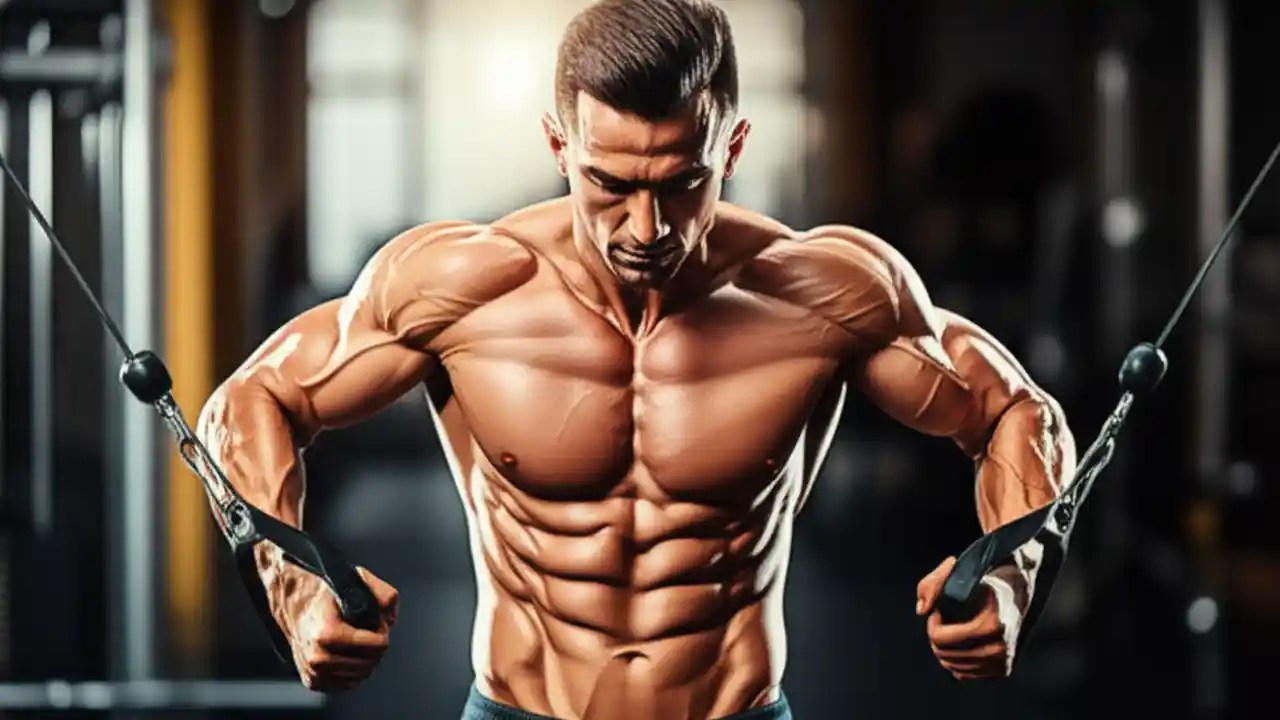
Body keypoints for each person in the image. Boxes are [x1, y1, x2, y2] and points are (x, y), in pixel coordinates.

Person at [196, 1, 1076, 718]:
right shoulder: (464, 285)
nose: (644, 229)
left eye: (682, 182)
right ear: (558, 146)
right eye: (609, 184)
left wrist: (1010, 571)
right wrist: (293, 586)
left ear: (731, 148)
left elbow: (1015, 411)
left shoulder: (823, 291)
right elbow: (251, 400)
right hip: (519, 708)